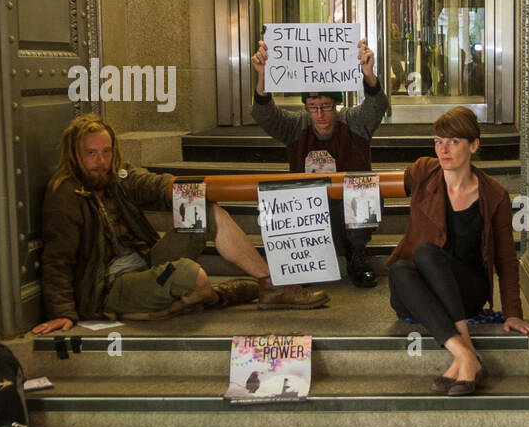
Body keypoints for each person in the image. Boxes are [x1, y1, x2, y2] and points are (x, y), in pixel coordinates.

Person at [32, 114, 329, 335]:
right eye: (91, 153)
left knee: (203, 210)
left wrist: (184, 190)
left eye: (106, 151)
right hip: (111, 288)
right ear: (75, 154)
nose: (101, 160)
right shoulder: (64, 195)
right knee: (194, 276)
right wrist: (62, 312)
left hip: (147, 264)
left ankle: (271, 285)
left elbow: (150, 184)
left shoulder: (117, 176)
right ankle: (213, 297)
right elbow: (57, 260)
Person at [388, 106, 529, 396]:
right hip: (420, 293)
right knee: (400, 267)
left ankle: (462, 355)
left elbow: (507, 259)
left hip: (465, 291)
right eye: (438, 141)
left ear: (474, 145)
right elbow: (370, 185)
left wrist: (513, 312)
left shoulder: (494, 195)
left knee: (425, 253)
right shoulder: (423, 172)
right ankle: (466, 353)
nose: (443, 150)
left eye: (453, 142)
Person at [251, 37, 388, 288]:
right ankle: (301, 258)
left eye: (325, 106)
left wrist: (369, 75)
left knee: (370, 190)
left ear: (336, 104)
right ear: (305, 107)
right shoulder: (295, 125)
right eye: (312, 107)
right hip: (308, 206)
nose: (320, 114)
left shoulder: (355, 121)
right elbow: (264, 115)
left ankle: (357, 254)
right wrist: (262, 78)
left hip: (348, 205)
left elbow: (378, 106)